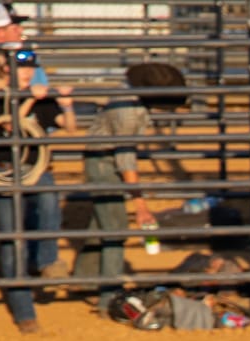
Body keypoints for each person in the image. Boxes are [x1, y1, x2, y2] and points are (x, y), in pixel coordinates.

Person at [0, 49, 76, 333]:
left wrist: (67, 105)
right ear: (7, 71)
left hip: (36, 169)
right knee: (12, 242)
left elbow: (69, 128)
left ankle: (48, 261)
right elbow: (12, 128)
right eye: (22, 69)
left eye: (31, 68)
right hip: (5, 172)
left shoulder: (39, 97)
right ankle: (25, 313)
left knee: (48, 198)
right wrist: (28, 101)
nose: (28, 73)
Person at [0, 4, 67, 281]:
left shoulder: (26, 58)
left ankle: (27, 263)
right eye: (14, 26)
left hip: (28, 148)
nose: (19, 30)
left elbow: (40, 95)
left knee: (31, 206)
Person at [70, 62, 186, 319]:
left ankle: (83, 278)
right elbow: (125, 159)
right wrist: (141, 206)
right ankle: (108, 298)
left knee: (103, 221)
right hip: (105, 163)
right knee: (116, 229)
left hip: (101, 160)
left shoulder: (129, 100)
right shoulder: (128, 112)